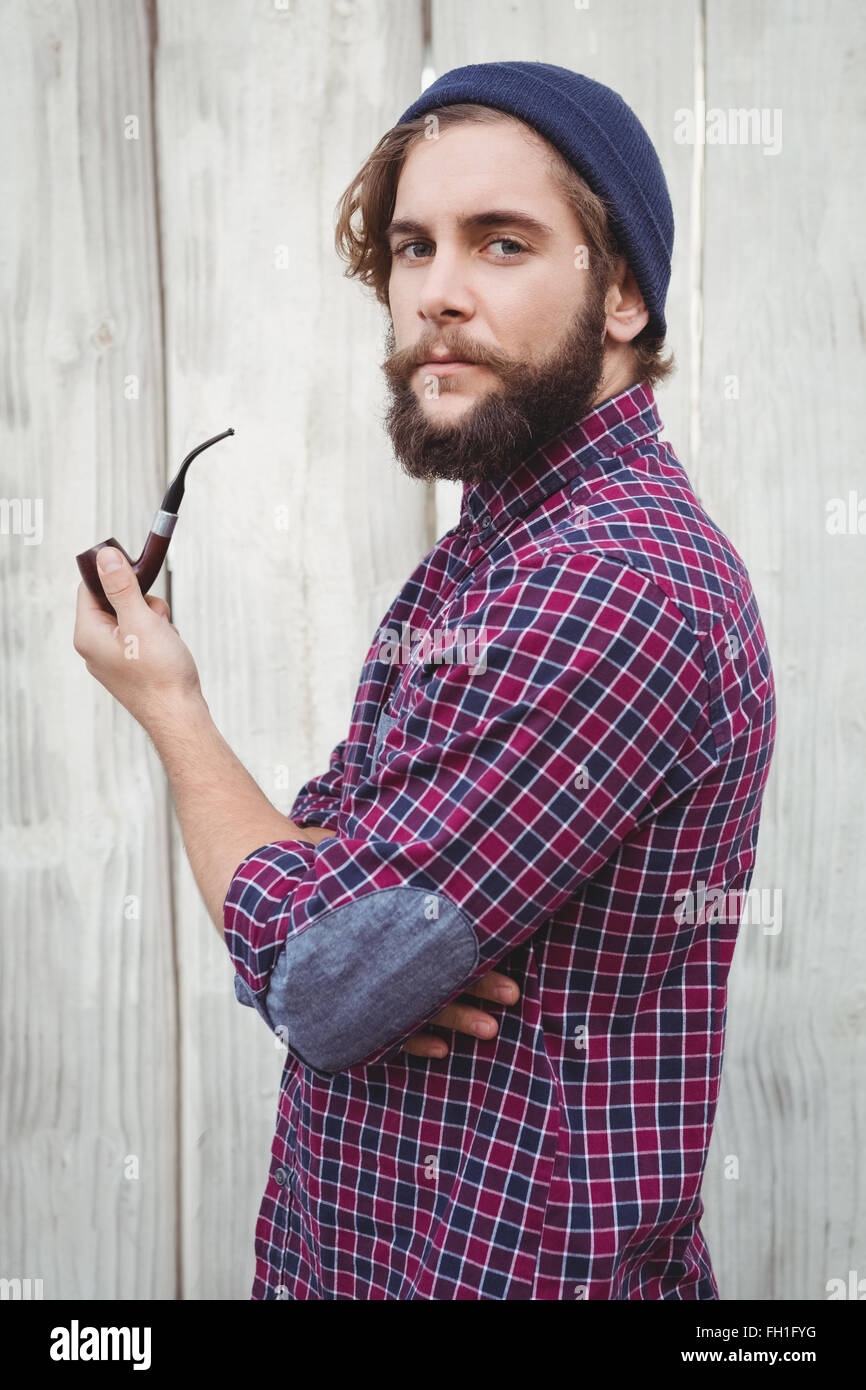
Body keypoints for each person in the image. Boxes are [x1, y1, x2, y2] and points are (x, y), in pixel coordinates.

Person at [73, 61, 776, 1299]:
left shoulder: (605, 584)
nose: (435, 294)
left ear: (619, 292)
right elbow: (323, 871)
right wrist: (361, 933)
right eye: (411, 248)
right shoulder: (487, 554)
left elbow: (318, 970)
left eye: (499, 244)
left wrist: (173, 712)